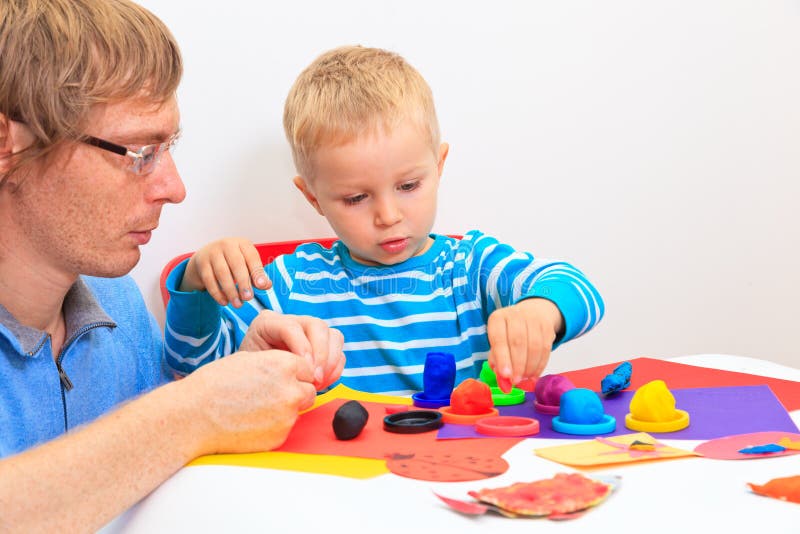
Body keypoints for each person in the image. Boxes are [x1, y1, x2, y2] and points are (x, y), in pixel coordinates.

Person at [0, 1, 344, 530]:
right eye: (140, 152)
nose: (174, 189)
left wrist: (232, 379)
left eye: (168, 147)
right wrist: (193, 412)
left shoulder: (118, 308)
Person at [165, 45, 604, 395]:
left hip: (460, 475)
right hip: (334, 488)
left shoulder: (471, 267)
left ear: (440, 165)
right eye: (356, 198)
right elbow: (196, 371)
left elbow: (578, 288)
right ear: (313, 198)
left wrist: (542, 310)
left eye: (409, 186)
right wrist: (198, 283)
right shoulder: (291, 284)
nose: (389, 216)